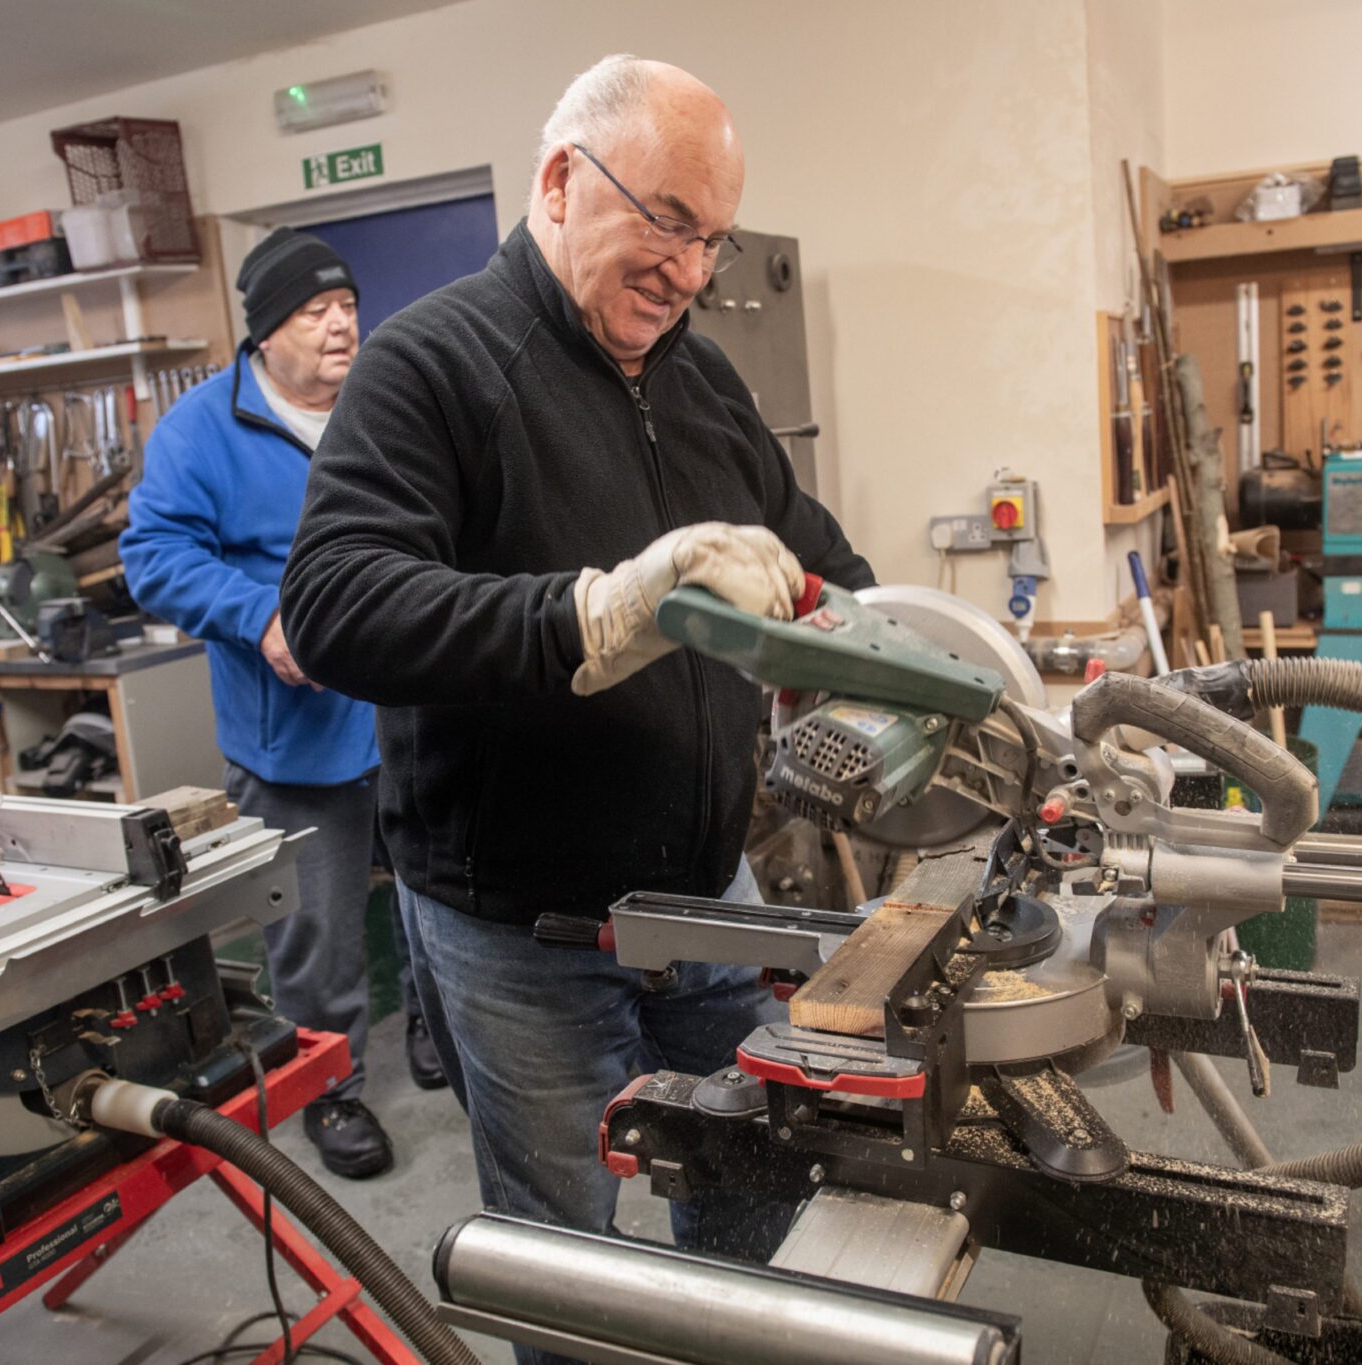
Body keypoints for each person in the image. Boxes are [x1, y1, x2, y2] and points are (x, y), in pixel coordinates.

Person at [278, 51, 873, 1321]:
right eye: (666, 222)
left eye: (710, 239)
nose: (691, 270)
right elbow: (333, 606)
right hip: (523, 932)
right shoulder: (430, 365)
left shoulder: (700, 375)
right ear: (560, 179)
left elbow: (822, 562)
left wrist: (907, 664)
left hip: (711, 894)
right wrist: (599, 611)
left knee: (757, 1183)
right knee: (573, 1267)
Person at [120, 227, 446, 1181]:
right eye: (316, 311)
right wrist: (260, 616)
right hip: (294, 733)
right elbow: (154, 558)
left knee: (437, 889)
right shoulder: (201, 430)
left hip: (416, 710)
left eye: (347, 305)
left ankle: (432, 1029)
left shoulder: (389, 400)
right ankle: (330, 1084)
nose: (343, 324)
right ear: (265, 332)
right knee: (311, 926)